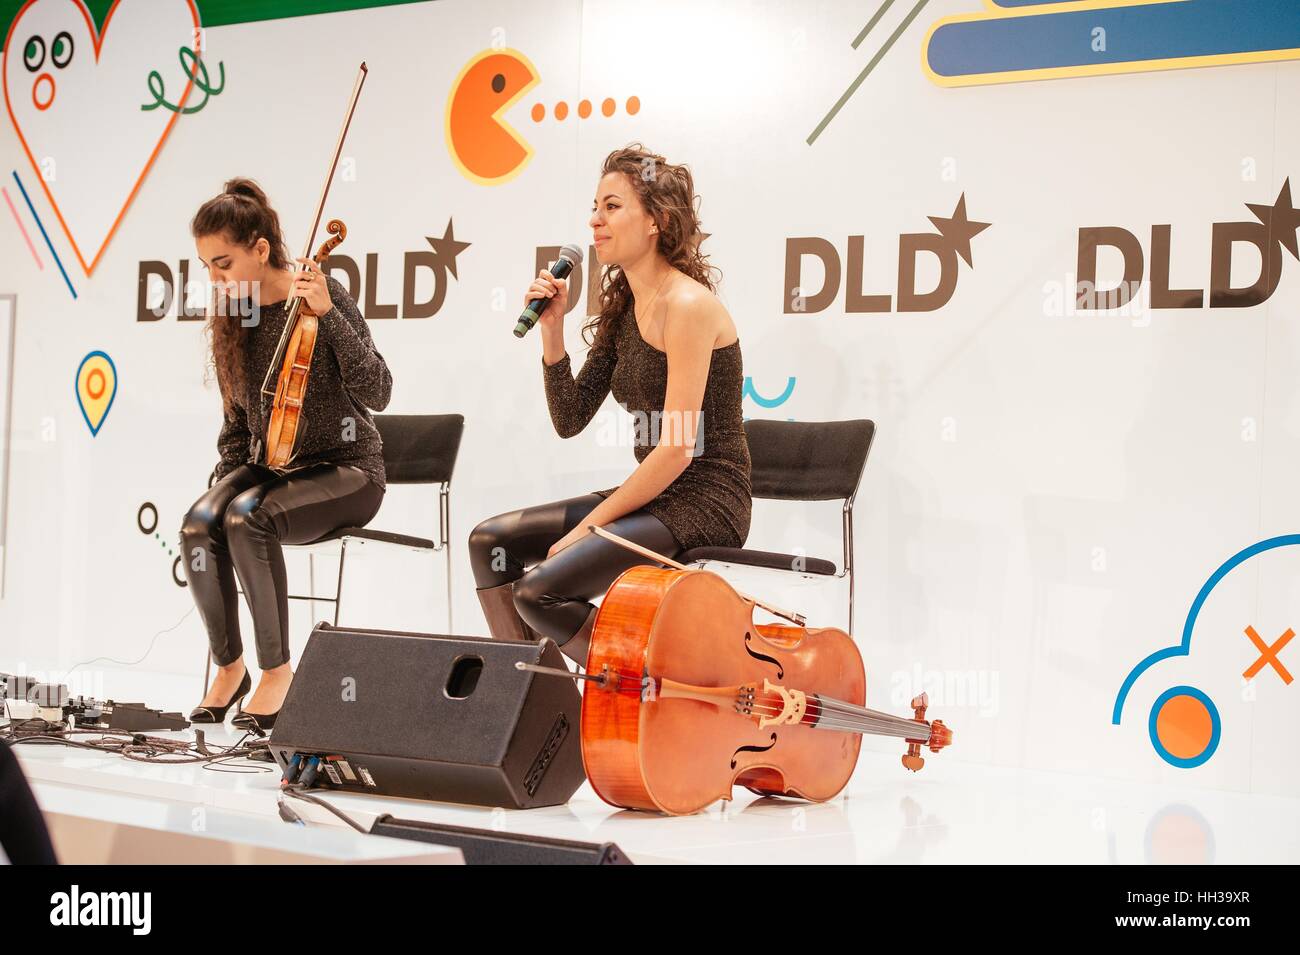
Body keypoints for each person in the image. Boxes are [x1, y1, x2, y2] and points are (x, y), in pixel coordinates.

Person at [469, 144, 751, 667]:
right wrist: (551, 330)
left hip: (704, 502)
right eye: (595, 206)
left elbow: (676, 452)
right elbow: (570, 417)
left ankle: (645, 684)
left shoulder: (686, 305)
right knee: (490, 542)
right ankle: (533, 708)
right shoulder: (625, 305)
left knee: (538, 593)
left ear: (656, 221)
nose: (594, 221)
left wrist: (585, 529)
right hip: (653, 494)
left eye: (612, 206)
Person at [180, 178, 392, 730]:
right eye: (206, 266)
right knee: (200, 524)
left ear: (261, 249)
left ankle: (279, 674)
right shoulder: (237, 316)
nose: (215, 279)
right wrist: (222, 483)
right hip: (271, 464)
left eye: (222, 263)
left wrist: (329, 315)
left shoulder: (320, 293)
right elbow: (237, 426)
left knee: (250, 518)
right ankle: (231, 669)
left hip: (347, 469)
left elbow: (379, 391)